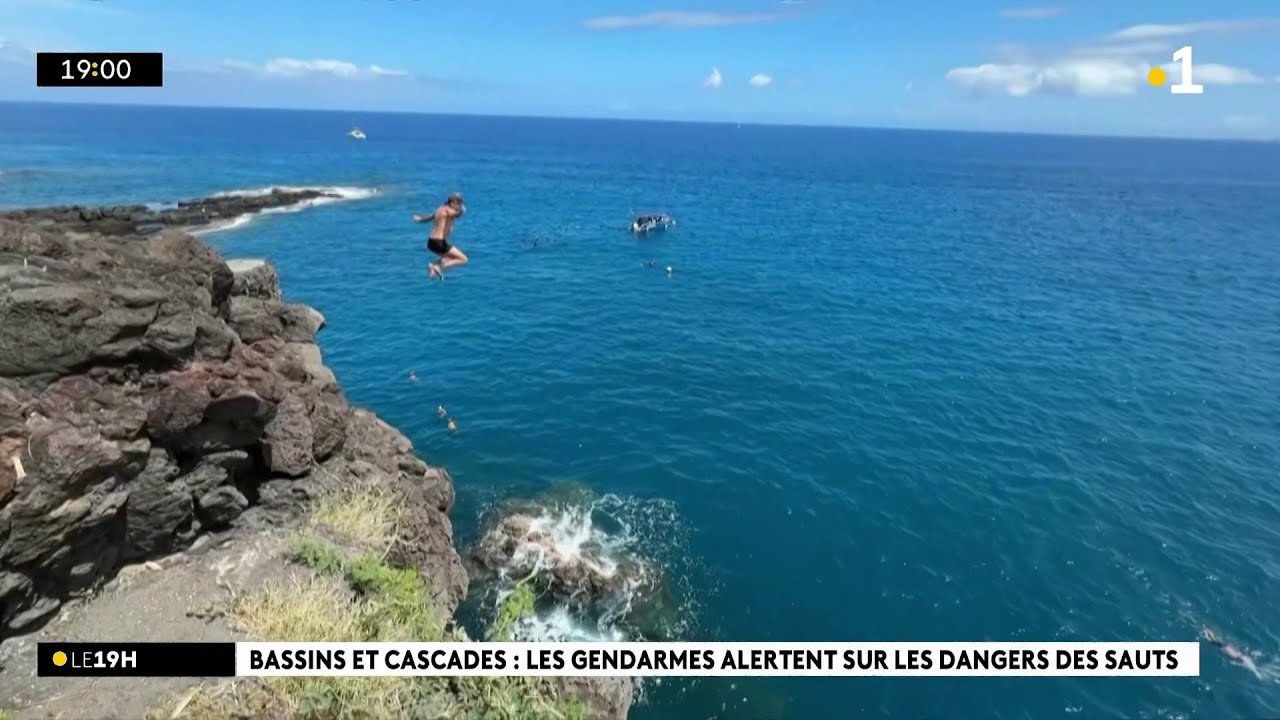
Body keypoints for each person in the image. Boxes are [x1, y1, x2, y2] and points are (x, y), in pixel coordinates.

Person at [413, 192, 469, 280]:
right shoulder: (448, 210)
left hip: (431, 243)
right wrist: (462, 212)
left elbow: (429, 217)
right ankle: (438, 267)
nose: (458, 207)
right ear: (452, 203)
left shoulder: (440, 209)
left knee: (447, 257)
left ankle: (433, 268)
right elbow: (455, 215)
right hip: (439, 243)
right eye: (458, 204)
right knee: (464, 259)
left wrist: (419, 219)